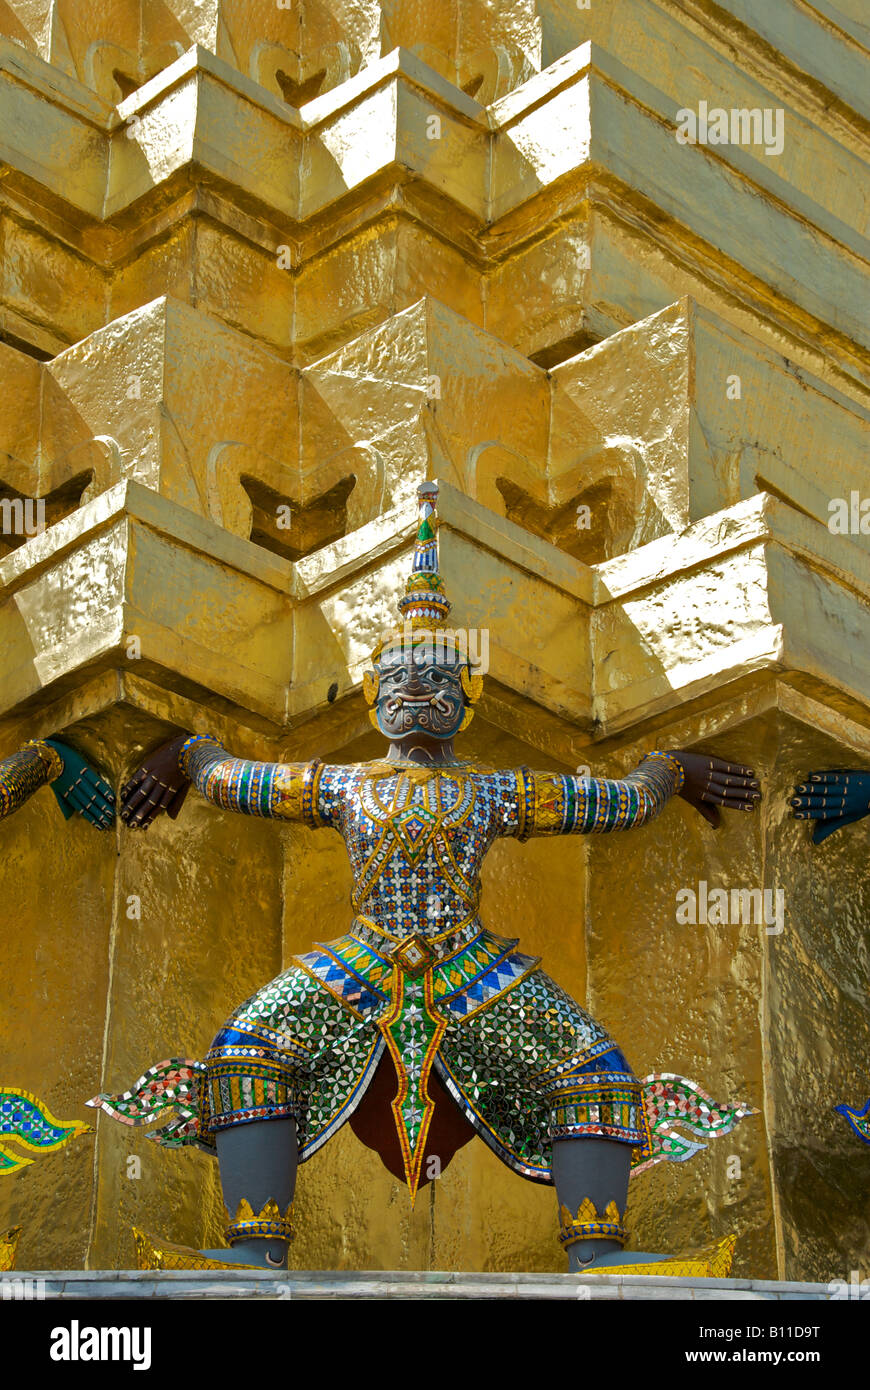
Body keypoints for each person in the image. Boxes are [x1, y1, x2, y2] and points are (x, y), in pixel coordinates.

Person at [93, 484, 760, 1270]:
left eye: (441, 680)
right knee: (248, 1051)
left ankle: (599, 1254)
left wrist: (668, 770)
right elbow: (242, 780)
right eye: (403, 677)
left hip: (474, 966)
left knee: (593, 1068)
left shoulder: (495, 788)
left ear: (468, 699)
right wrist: (188, 753)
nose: (420, 688)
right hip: (364, 958)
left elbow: (612, 805)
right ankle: (256, 1247)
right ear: (373, 694)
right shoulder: (344, 786)